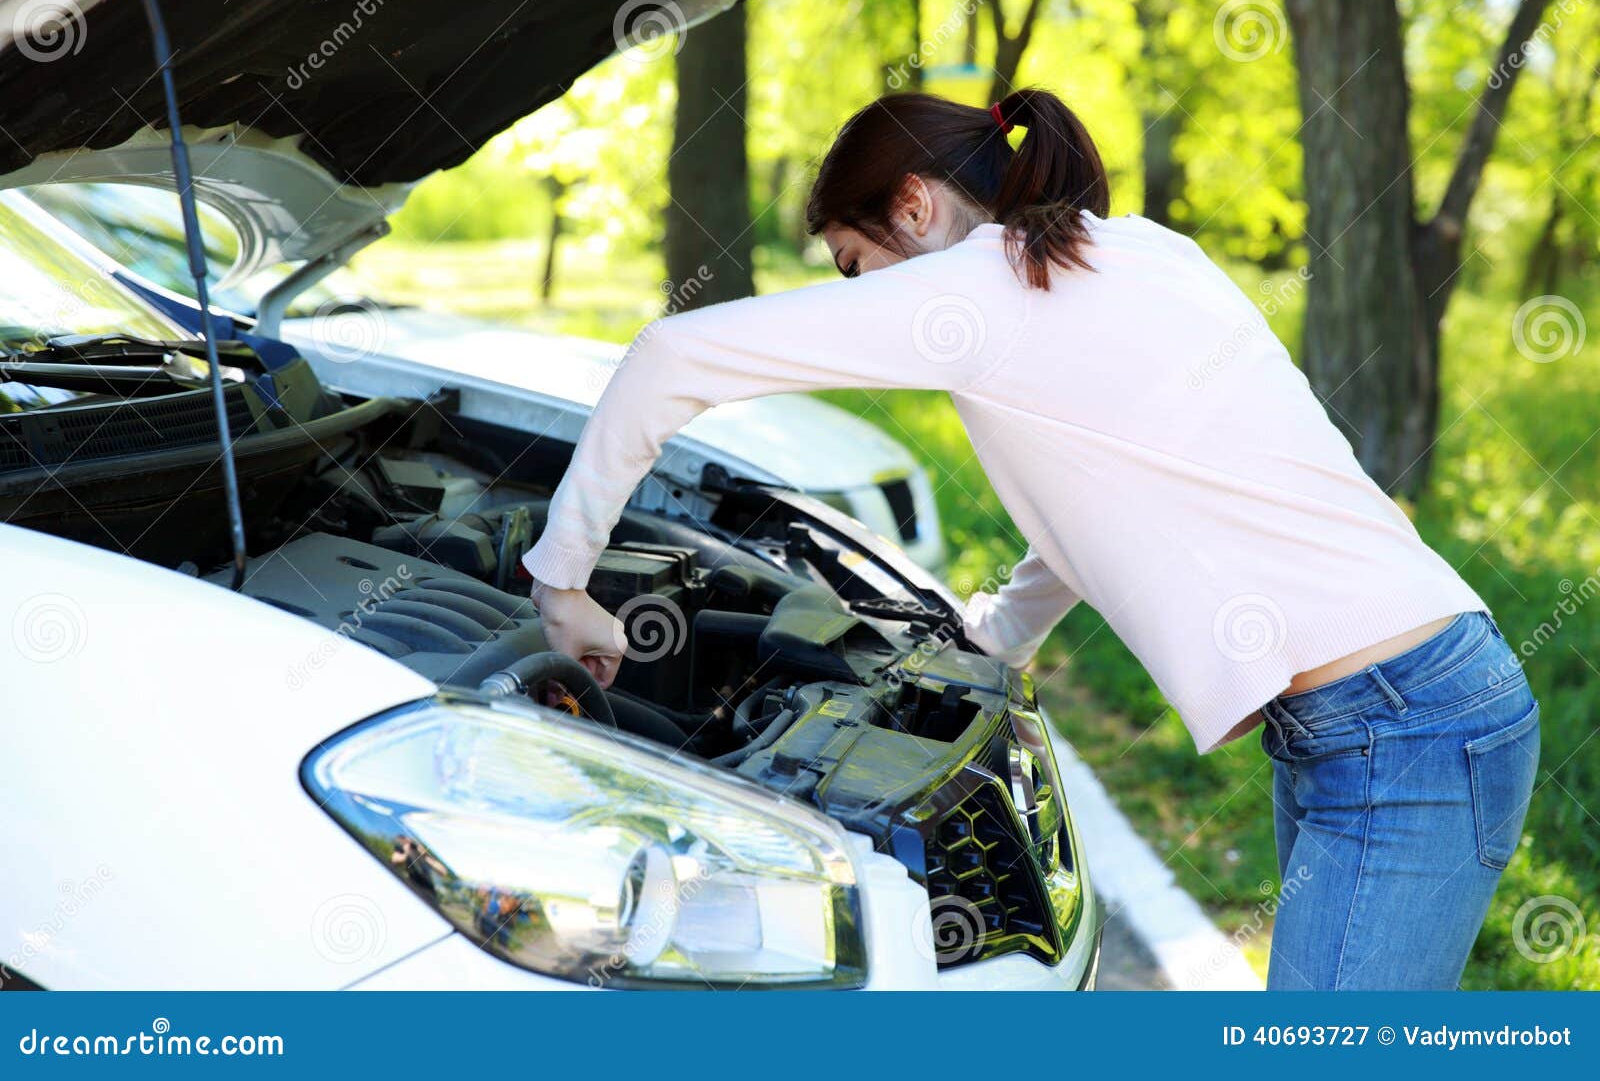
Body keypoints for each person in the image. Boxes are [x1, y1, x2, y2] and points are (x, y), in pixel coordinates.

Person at [521, 88, 1539, 990]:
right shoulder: (1139, 249)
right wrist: (998, 635)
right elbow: (1108, 494)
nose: (859, 294)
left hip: (1399, 730)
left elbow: (669, 353)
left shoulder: (976, 292)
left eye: (853, 264)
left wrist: (562, 580)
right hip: (1403, 704)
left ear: (913, 205)